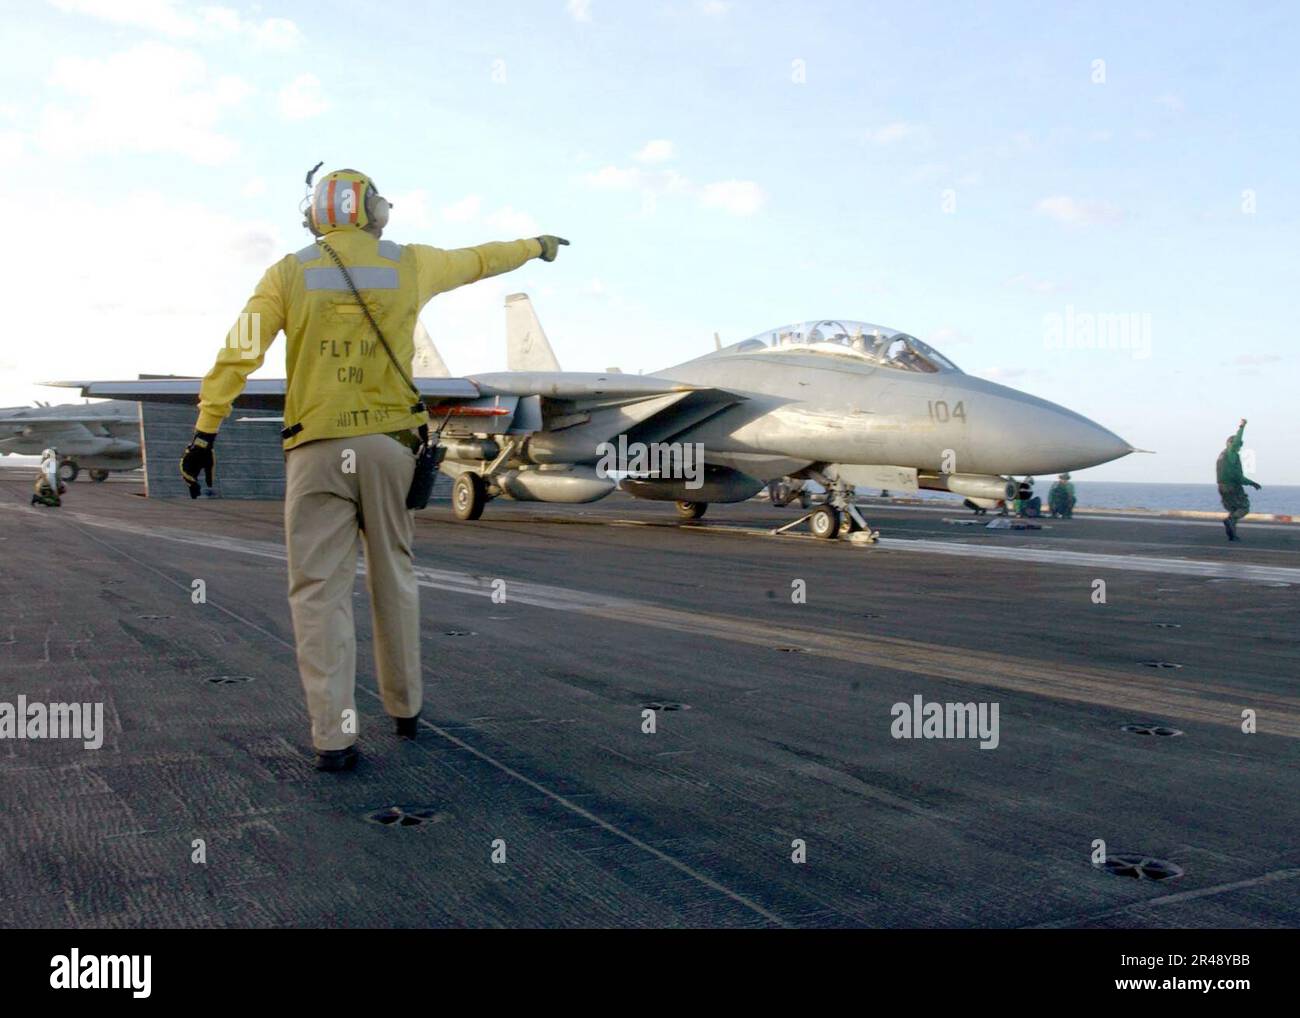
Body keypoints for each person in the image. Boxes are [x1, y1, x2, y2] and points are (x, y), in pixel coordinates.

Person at [180, 166, 568, 770]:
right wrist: (536, 245)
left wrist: (206, 431)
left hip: (316, 450)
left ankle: (334, 739)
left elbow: (239, 351)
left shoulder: (288, 272)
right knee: (394, 574)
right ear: (373, 212)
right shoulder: (409, 263)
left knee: (318, 592)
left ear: (316, 216)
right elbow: (480, 260)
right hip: (389, 447)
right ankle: (405, 708)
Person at [1217, 418, 1261, 541]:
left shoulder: (1222, 456)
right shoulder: (1231, 454)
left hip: (1222, 487)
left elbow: (1236, 476)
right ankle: (1230, 522)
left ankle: (1232, 534)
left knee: (1233, 510)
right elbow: (1238, 477)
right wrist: (1242, 426)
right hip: (1232, 486)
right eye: (1239, 445)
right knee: (1243, 508)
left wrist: (1251, 483)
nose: (1239, 447)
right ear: (1231, 443)